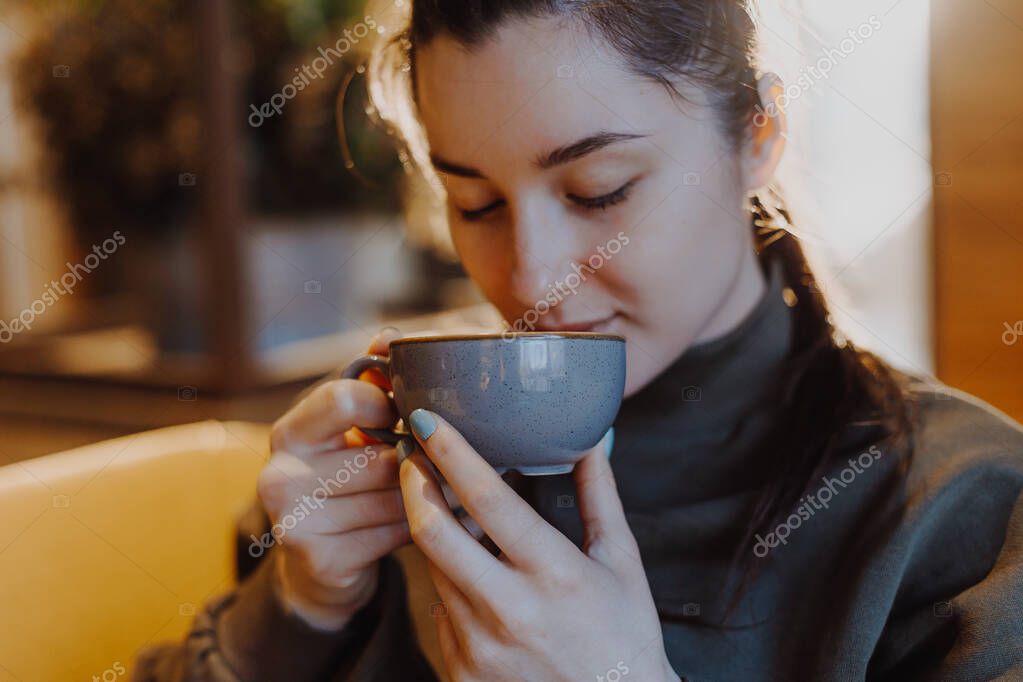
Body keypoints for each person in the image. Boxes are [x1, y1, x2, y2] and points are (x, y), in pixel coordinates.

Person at [133, 1, 1023, 680]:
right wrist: (294, 612)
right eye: (474, 204)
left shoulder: (961, 510)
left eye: (599, 191)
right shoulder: (379, 451)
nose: (530, 278)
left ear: (760, 133)